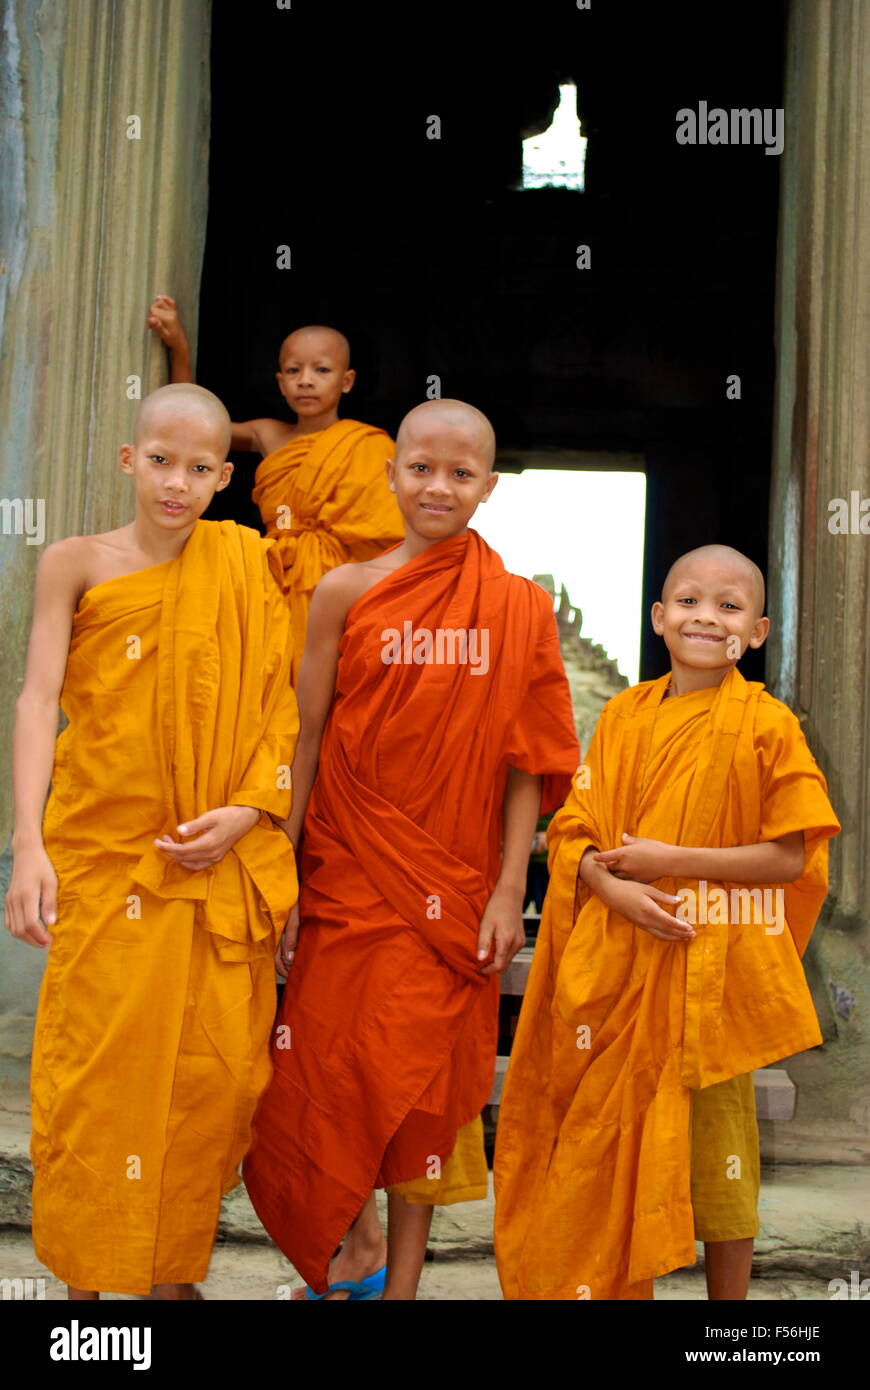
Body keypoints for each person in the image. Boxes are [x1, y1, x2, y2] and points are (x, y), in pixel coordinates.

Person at [242, 398, 580, 1300]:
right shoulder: (344, 591)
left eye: (460, 474)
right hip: (347, 870)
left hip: (456, 882)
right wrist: (288, 873)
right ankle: (348, 1247)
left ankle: (403, 1285)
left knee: (427, 1078)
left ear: (489, 487)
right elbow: (305, 736)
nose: (439, 487)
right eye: (421, 468)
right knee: (330, 1064)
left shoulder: (518, 606)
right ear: (390, 476)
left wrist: (511, 888)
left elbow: (527, 764)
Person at [5, 384, 299, 1300]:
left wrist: (250, 812)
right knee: (95, 1081)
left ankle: (171, 1279)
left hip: (212, 868)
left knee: (206, 1090)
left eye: (199, 467)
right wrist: (26, 846)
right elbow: (34, 700)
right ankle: (85, 1301)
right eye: (161, 461)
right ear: (130, 460)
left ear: (225, 474)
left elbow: (278, 715)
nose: (178, 483)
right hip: (105, 864)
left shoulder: (247, 569)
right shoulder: (74, 563)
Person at [494, 544, 840, 1301]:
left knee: (721, 1159)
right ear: (659, 617)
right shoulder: (622, 715)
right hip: (620, 961)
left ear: (757, 631)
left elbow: (790, 859)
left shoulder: (767, 725)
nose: (706, 619)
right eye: (688, 601)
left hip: (707, 976)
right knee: (600, 1138)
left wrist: (669, 858)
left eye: (728, 607)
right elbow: (576, 829)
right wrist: (610, 887)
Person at [147, 299, 404, 677]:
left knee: (328, 686)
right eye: (293, 370)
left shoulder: (367, 446)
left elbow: (384, 539)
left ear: (346, 381)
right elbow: (189, 419)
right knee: (262, 681)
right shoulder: (268, 434)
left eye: (322, 370)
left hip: (339, 592)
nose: (306, 380)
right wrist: (178, 346)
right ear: (280, 382)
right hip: (271, 580)